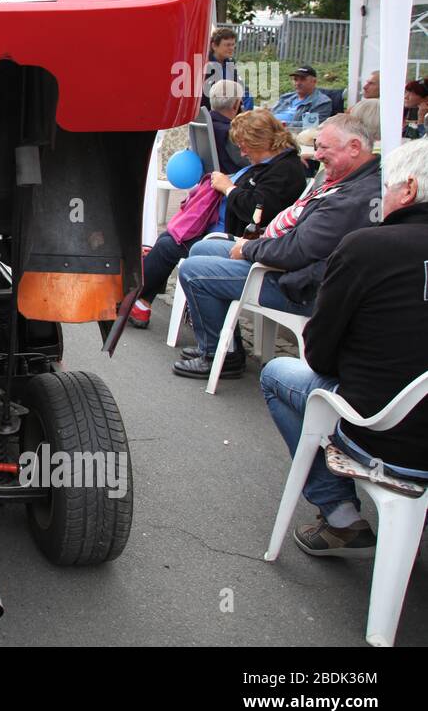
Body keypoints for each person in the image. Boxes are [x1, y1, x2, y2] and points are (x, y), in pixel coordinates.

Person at [260, 138, 428, 556]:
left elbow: (319, 354)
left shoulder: (366, 247)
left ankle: (340, 515)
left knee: (277, 374)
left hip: (390, 434)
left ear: (406, 190)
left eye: (386, 189)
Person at [173, 113, 381, 379]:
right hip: (285, 260)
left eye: (324, 148)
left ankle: (218, 356)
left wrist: (249, 249)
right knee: (202, 249)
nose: (317, 155)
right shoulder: (350, 180)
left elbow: (297, 251)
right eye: (316, 147)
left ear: (354, 147)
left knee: (193, 269)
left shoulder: (353, 197)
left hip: (297, 282)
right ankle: (228, 348)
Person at [131, 109, 306, 328]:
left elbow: (256, 211)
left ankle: (136, 299)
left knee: (170, 244)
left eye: (244, 145)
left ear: (261, 141)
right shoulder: (276, 163)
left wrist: (229, 188)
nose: (242, 153)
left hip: (240, 237)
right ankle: (140, 301)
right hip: (230, 230)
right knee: (170, 240)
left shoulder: (284, 171)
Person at [202, 27, 253, 111]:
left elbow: (239, 86)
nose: (232, 48)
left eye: (233, 45)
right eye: (227, 45)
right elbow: (207, 96)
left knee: (248, 95)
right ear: (214, 46)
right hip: (214, 110)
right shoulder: (205, 65)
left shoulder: (230, 62)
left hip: (230, 107)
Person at [205, 79, 248, 171]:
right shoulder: (230, 131)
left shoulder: (205, 123)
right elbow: (247, 161)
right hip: (231, 179)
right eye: (241, 102)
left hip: (207, 179)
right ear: (236, 105)